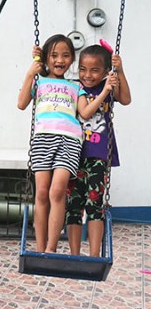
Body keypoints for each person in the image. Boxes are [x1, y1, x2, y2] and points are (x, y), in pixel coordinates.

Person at [17, 34, 117, 253]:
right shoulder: (39, 81)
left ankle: (52, 248)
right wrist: (29, 73)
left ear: (72, 59)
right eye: (53, 55)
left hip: (70, 141)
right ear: (45, 58)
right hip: (43, 139)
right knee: (42, 192)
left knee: (57, 191)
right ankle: (41, 249)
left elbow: (86, 111)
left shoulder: (76, 86)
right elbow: (21, 103)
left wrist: (106, 91)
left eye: (65, 55)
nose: (59, 60)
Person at [66, 45, 131, 256]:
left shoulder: (108, 86)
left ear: (104, 72)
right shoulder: (74, 88)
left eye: (94, 70)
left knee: (94, 205)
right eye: (83, 69)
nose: (87, 75)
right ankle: (74, 254)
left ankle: (94, 256)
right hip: (73, 154)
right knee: (73, 206)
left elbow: (126, 99)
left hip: (98, 154)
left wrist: (119, 71)